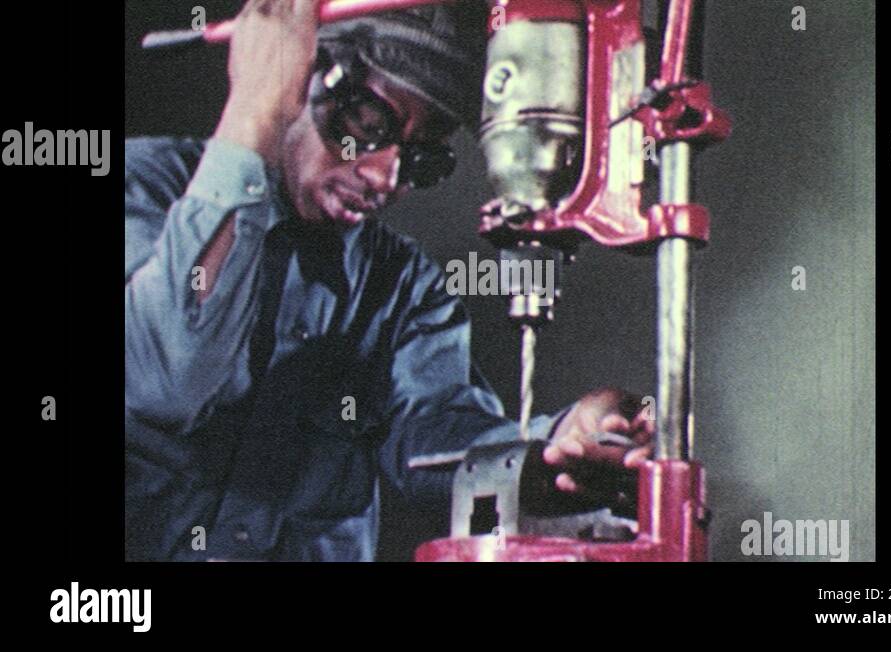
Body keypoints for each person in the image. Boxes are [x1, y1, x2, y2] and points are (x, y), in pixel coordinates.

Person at [125, 0, 653, 561]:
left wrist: (559, 444)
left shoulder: (402, 288)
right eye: (367, 123)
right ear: (296, 77)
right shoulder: (142, 188)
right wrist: (253, 112)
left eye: (422, 157)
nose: (386, 177)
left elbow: (437, 443)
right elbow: (165, 377)